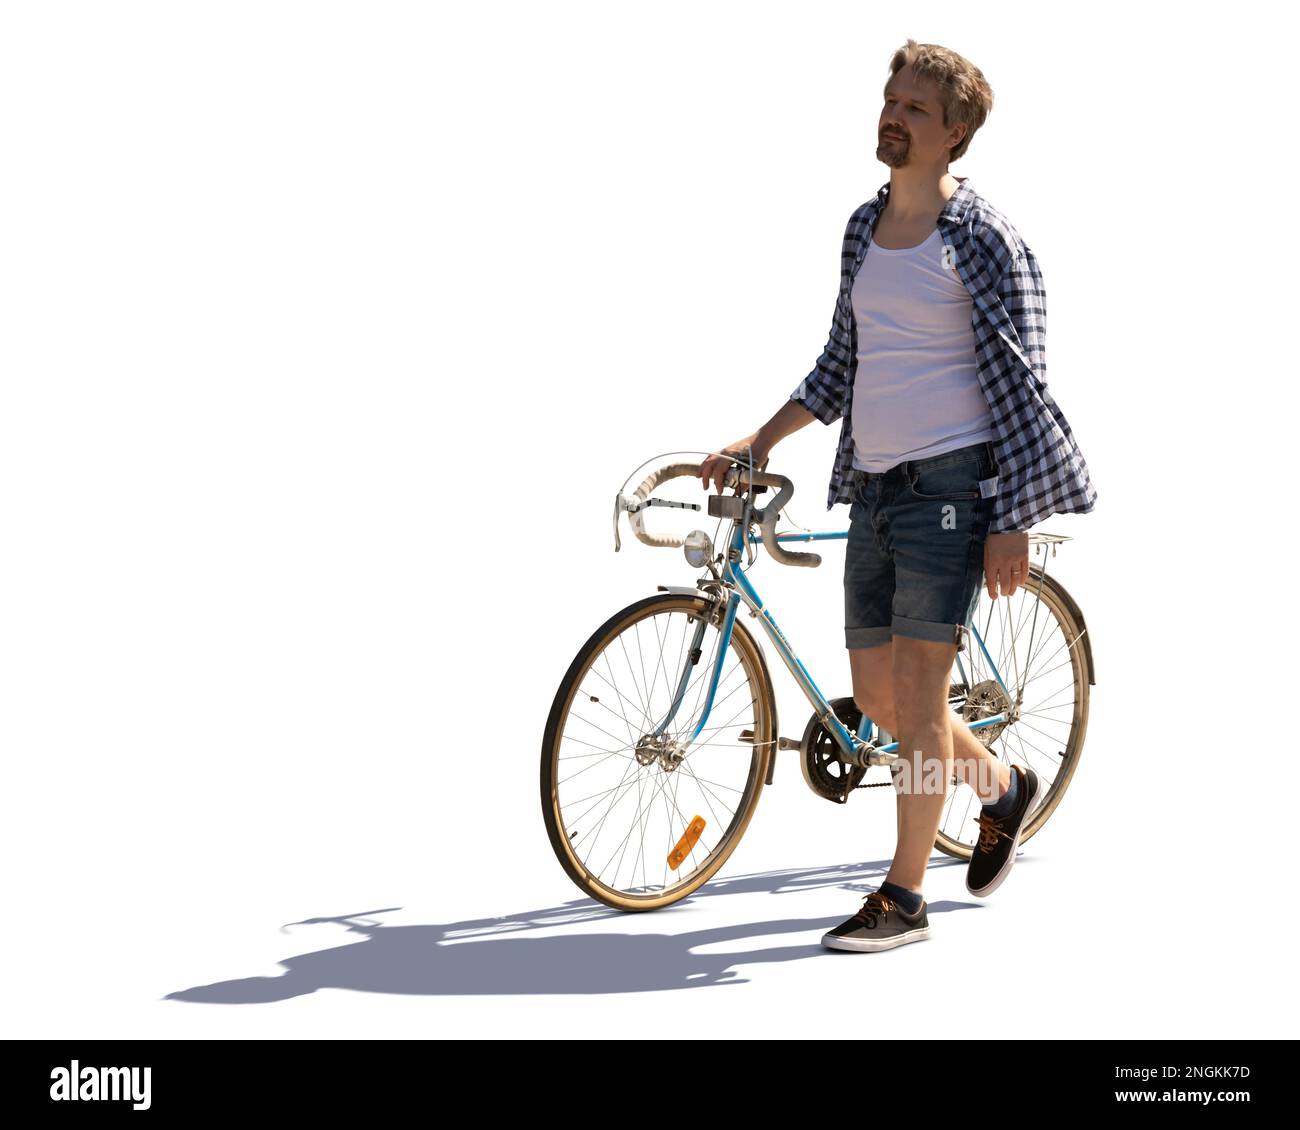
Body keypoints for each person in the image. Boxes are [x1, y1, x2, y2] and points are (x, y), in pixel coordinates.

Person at [698, 39, 1097, 953]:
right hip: (873, 487)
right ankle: (1000, 785)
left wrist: (1014, 519)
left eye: (916, 108)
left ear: (955, 132)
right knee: (878, 697)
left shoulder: (988, 239)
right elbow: (841, 362)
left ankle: (905, 897)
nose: (894, 115)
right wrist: (760, 439)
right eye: (891, 99)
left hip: (954, 488)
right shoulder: (862, 228)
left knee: (919, 698)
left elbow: (1028, 383)